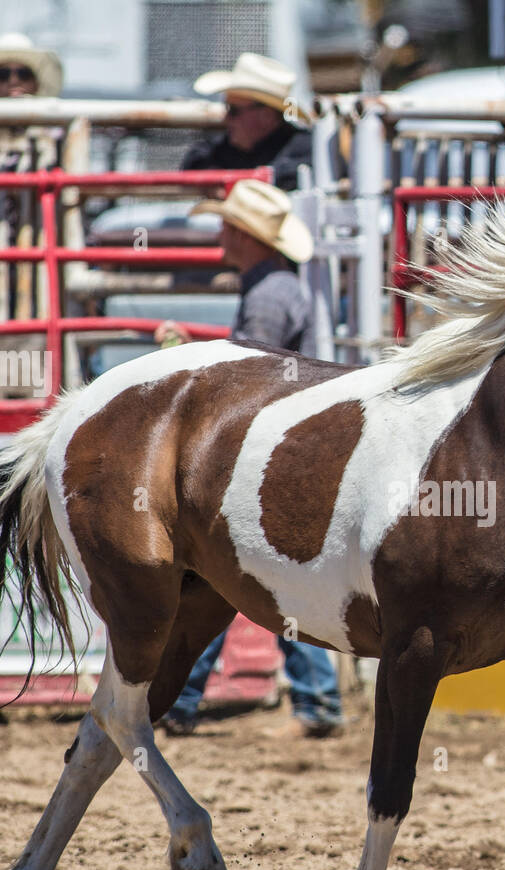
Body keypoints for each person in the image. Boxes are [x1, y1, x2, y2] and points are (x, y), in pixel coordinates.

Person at [156, 180, 341, 738]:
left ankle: (184, 698)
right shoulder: (273, 288)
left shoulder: (266, 294)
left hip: (265, 453)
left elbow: (249, 377)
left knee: (234, 576)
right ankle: (190, 699)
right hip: (276, 448)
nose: (219, 234)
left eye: (227, 226)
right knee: (243, 577)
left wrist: (182, 357)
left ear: (245, 235)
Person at [182, 53, 312, 192]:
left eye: (233, 110)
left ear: (266, 115)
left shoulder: (305, 149)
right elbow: (195, 162)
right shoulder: (227, 148)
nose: (226, 118)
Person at [0, 32, 63, 99]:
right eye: (3, 75)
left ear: (37, 84)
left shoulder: (59, 129)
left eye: (24, 74)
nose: (14, 81)